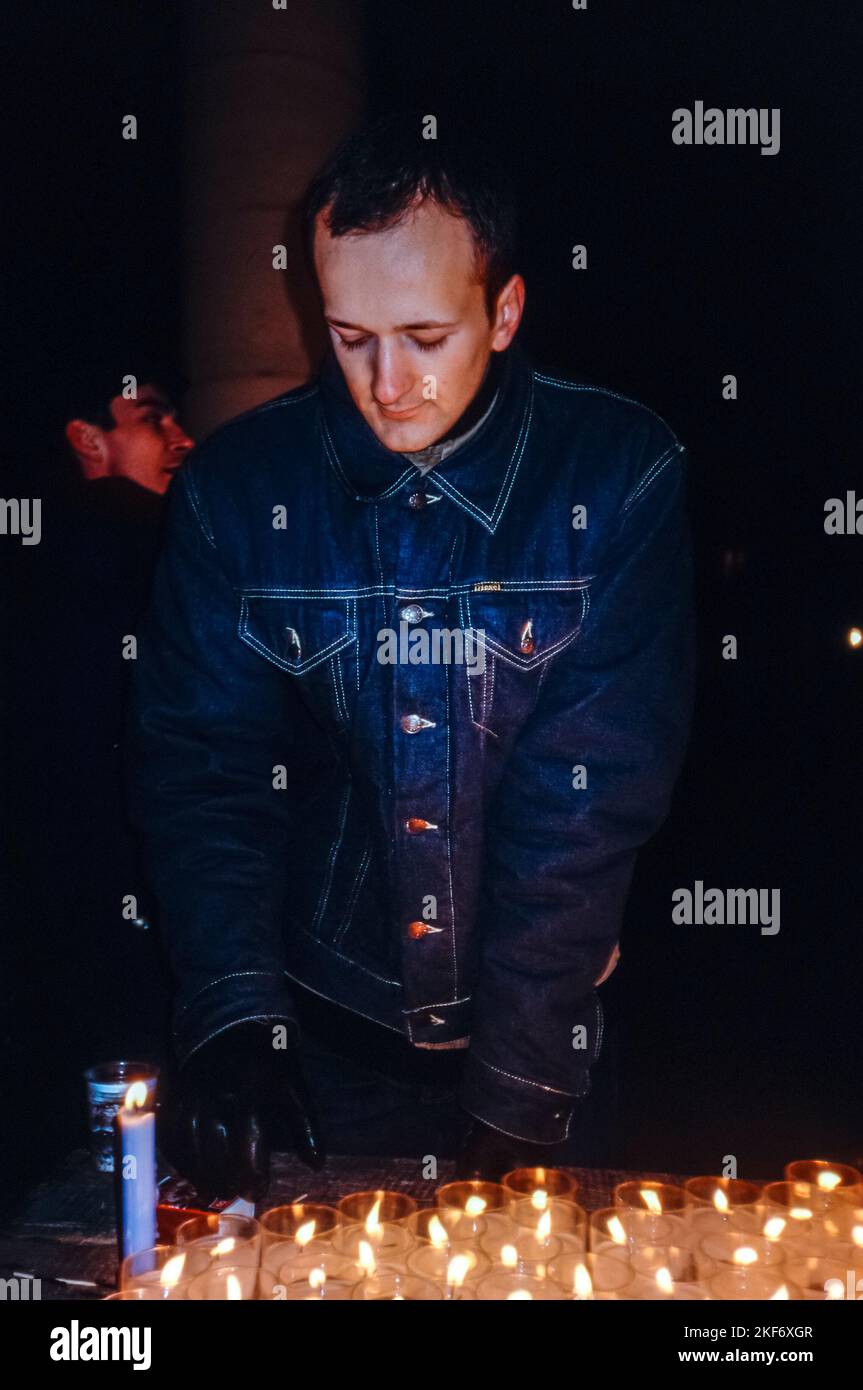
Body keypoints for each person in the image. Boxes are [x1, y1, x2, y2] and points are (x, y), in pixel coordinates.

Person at [126, 114, 694, 1196]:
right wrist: (235, 1016)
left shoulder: (618, 472)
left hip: (546, 1029)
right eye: (348, 336)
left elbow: (588, 798)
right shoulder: (238, 491)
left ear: (506, 309)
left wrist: (522, 1087)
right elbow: (204, 769)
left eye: (424, 336)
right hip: (322, 1041)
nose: (385, 382)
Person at [8, 362, 194, 1176]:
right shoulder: (127, 537)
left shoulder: (45, 550)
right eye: (153, 418)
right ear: (88, 439)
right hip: (120, 884)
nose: (182, 437)